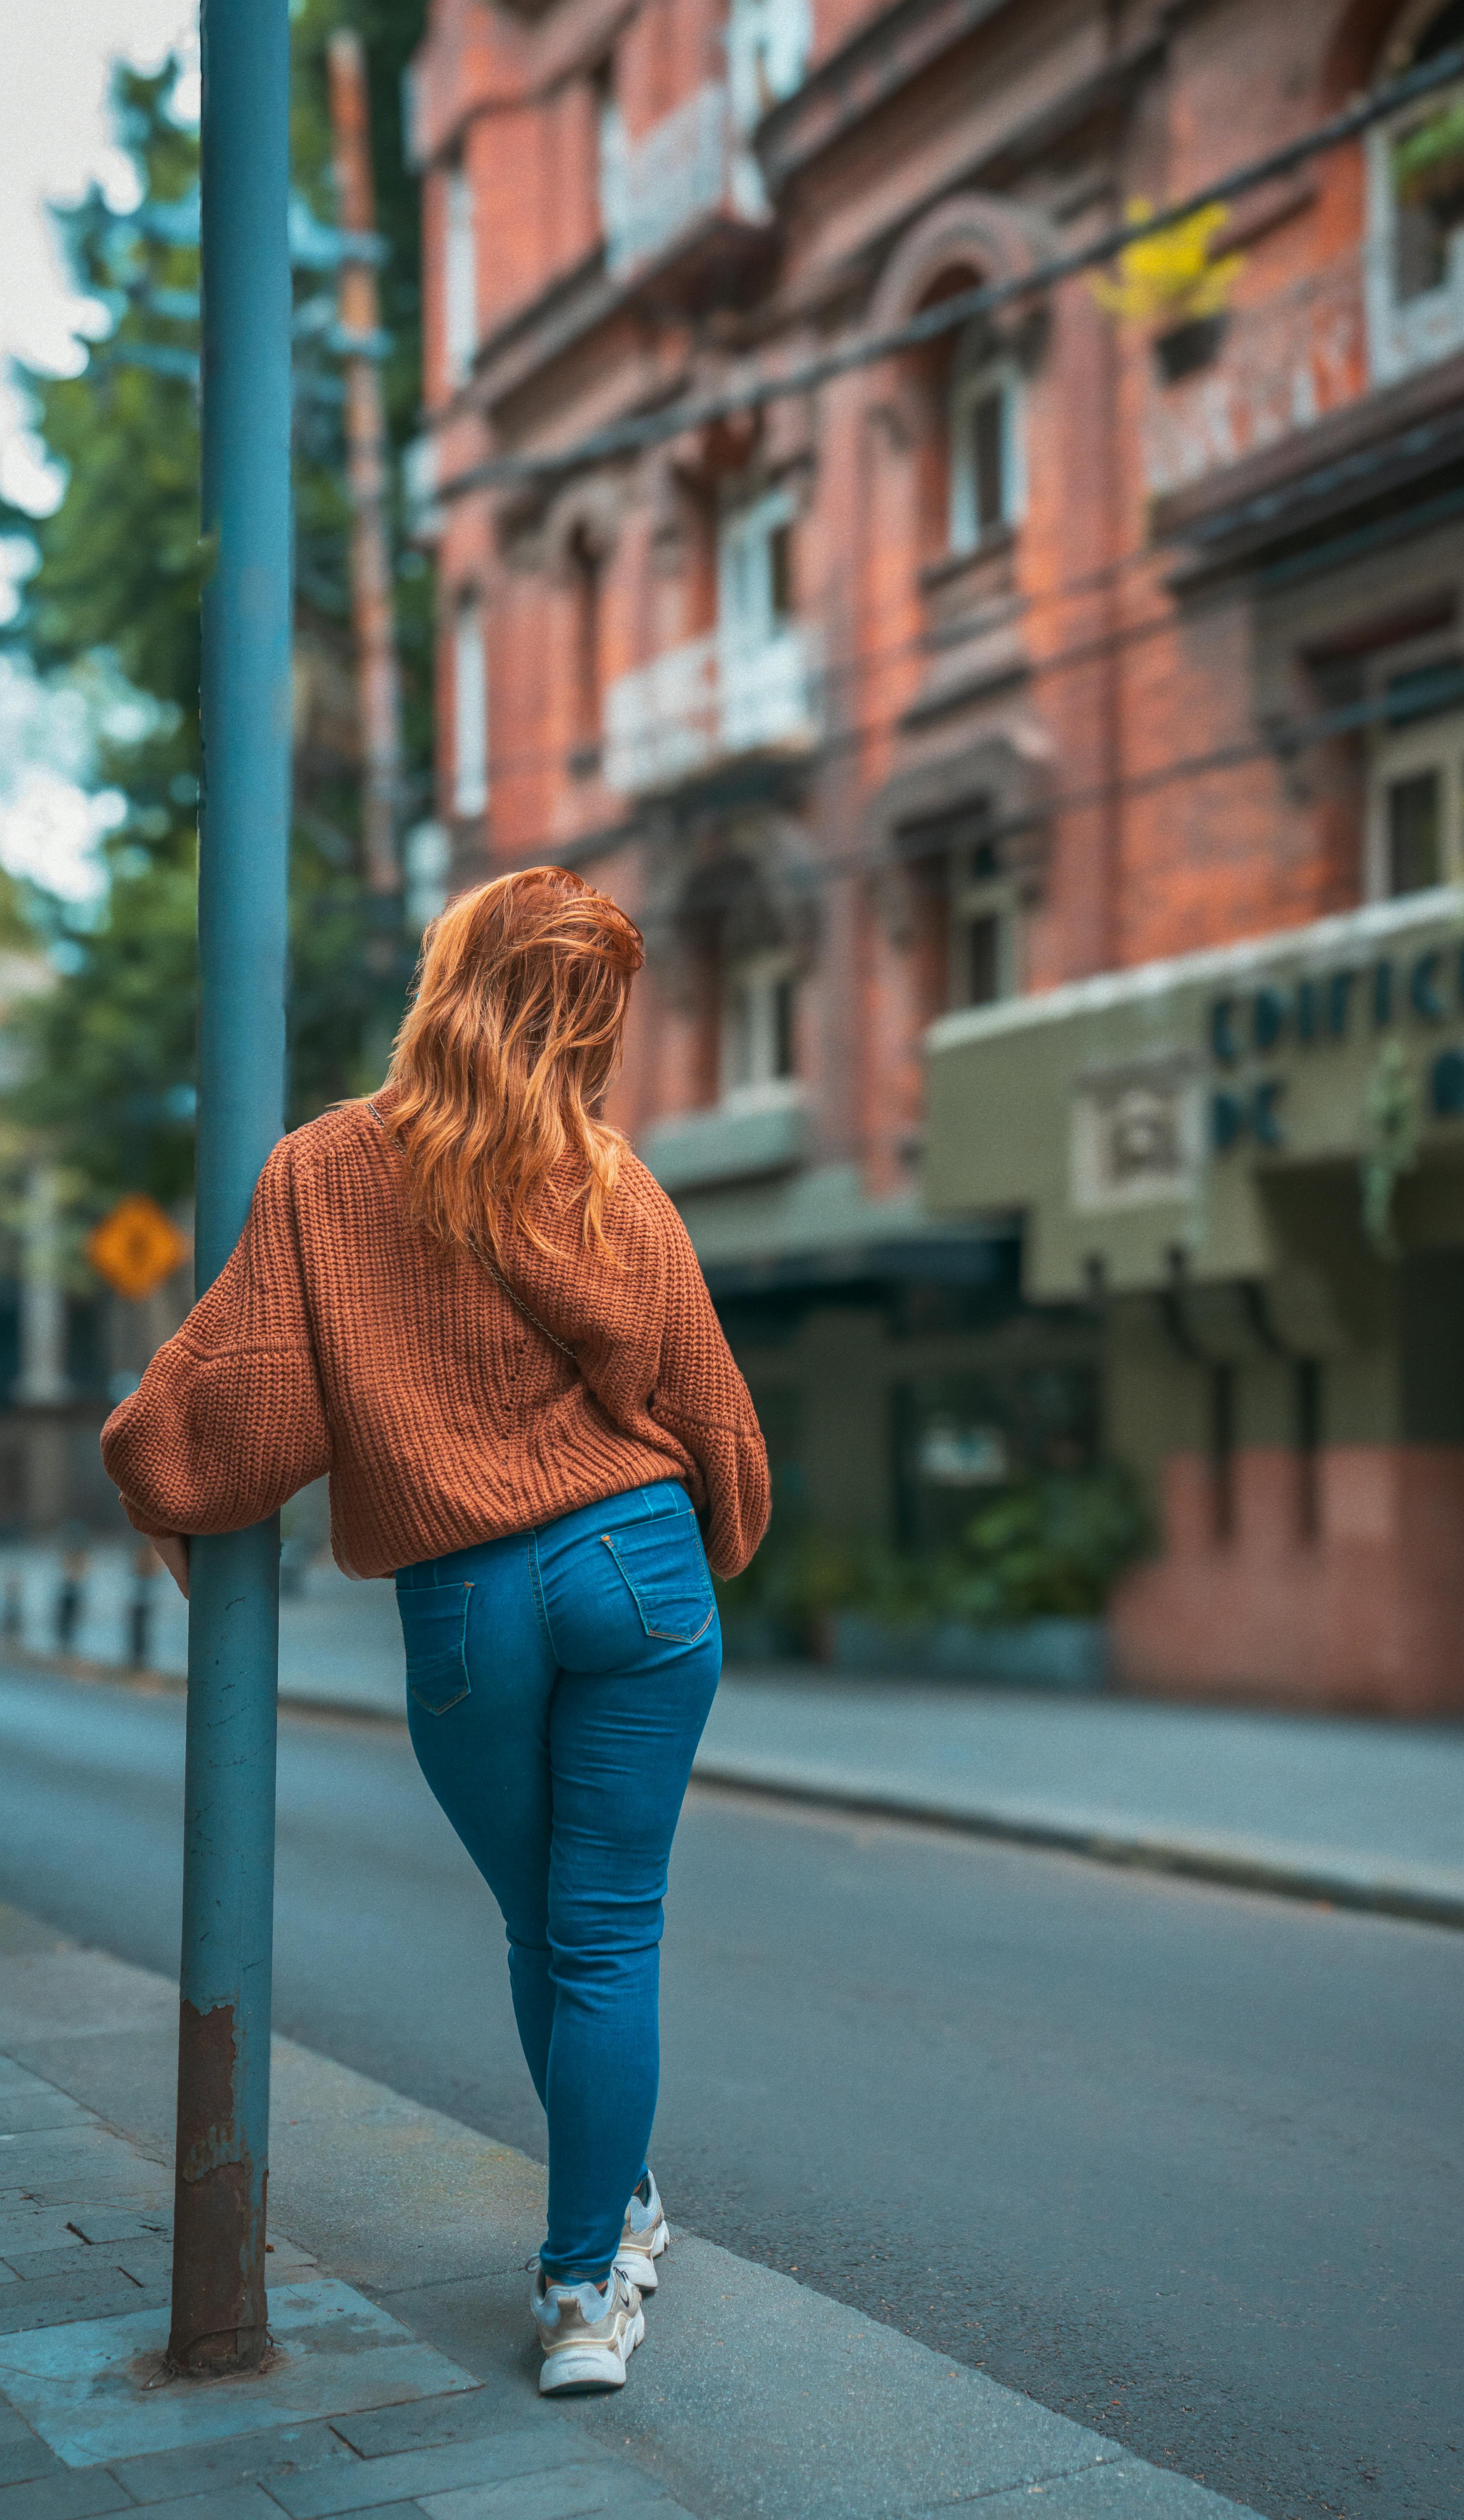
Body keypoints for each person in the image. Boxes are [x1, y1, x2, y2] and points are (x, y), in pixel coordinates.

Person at [101, 866, 770, 2396]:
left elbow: (236, 1401)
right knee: (606, 1931)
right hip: (640, 1572)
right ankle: (587, 2283)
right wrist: (715, 1531)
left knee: (548, 1927)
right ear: (592, 1020)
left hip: (467, 1600)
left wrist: (148, 1460)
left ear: (446, 979)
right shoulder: (617, 1184)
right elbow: (716, 1417)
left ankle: (600, 2241)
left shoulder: (327, 1174)